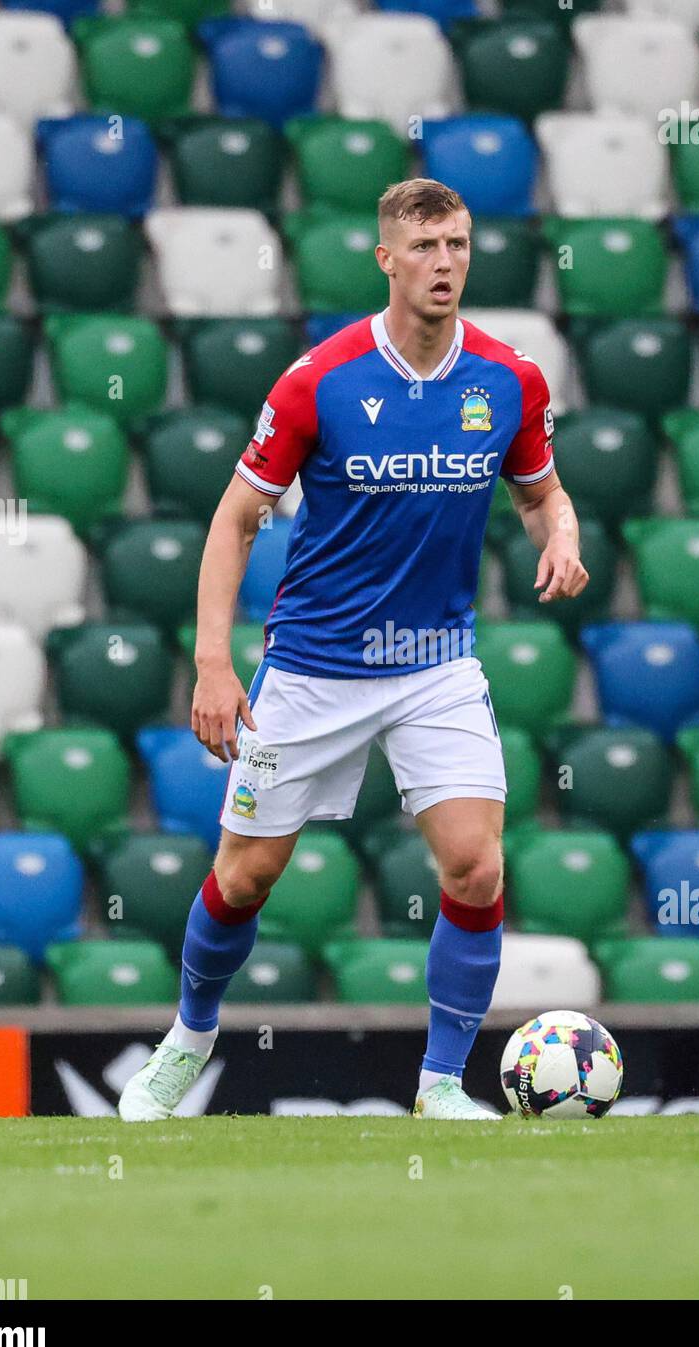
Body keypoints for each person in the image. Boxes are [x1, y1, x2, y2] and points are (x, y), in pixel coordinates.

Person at [119, 178, 588, 1122]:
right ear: (386, 260)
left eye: (457, 244)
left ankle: (443, 1085)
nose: (445, 262)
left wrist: (562, 538)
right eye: (424, 248)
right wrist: (213, 662)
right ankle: (191, 1036)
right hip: (314, 666)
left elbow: (541, 492)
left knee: (476, 865)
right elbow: (236, 519)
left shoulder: (510, 379)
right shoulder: (319, 381)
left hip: (437, 663)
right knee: (245, 875)